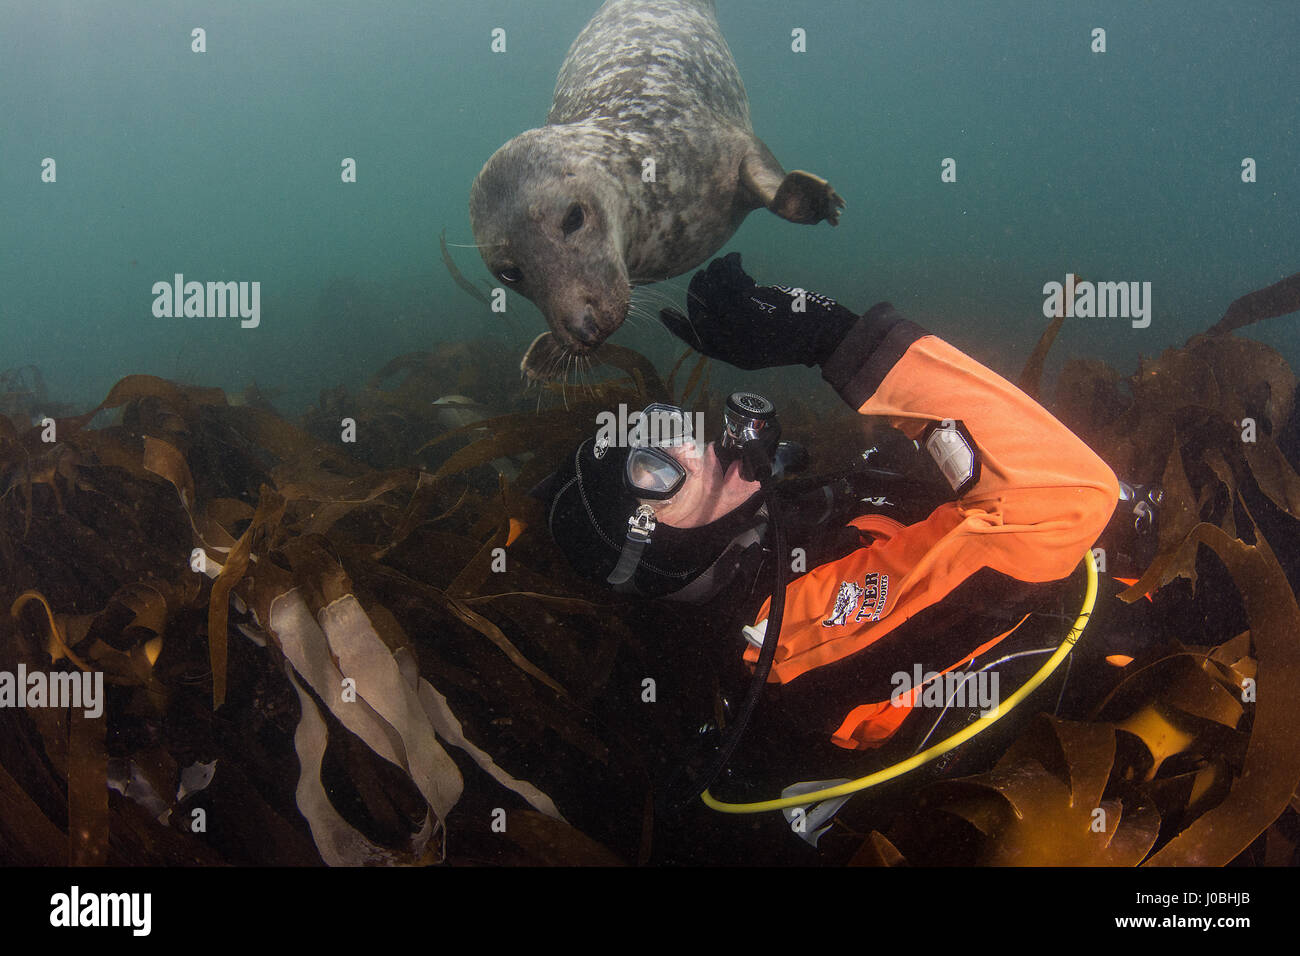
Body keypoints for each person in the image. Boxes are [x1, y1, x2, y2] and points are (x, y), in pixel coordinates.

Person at [541, 253, 1121, 782]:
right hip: (1136, 667)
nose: (690, 442)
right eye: (652, 468)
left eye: (661, 426)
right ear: (650, 546)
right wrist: (840, 343)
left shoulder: (774, 531)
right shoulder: (786, 636)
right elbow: (1065, 501)